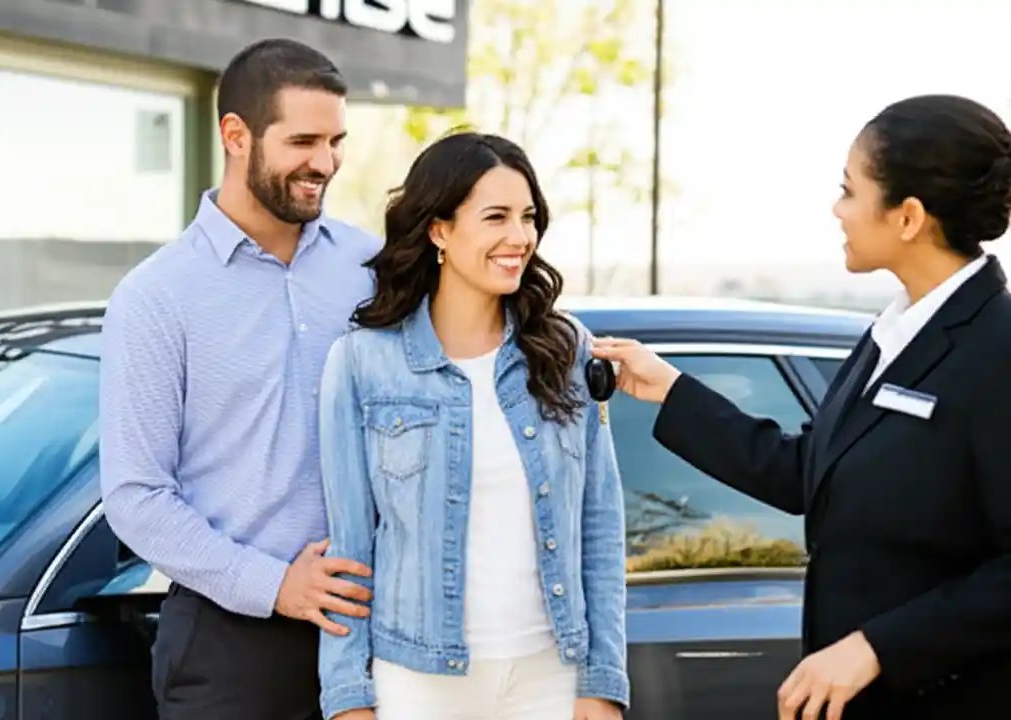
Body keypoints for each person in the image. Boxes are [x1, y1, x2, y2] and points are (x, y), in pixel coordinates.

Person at [592, 94, 1011, 719]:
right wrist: (670, 389)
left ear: (908, 217)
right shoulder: (891, 335)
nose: (836, 209)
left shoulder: (997, 348)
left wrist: (875, 649)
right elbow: (807, 472)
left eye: (849, 191)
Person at [99, 38, 383, 720]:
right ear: (235, 135)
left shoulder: (374, 266)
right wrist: (277, 585)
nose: (326, 162)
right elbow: (136, 496)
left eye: (337, 140)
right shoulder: (157, 297)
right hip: (234, 647)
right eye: (304, 141)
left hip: (380, 629)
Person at [316, 131, 629, 720]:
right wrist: (348, 700)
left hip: (549, 676)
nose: (520, 237)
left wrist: (602, 682)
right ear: (439, 230)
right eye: (496, 217)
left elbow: (601, 524)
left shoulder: (566, 350)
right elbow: (350, 549)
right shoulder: (363, 363)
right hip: (418, 684)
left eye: (529, 216)